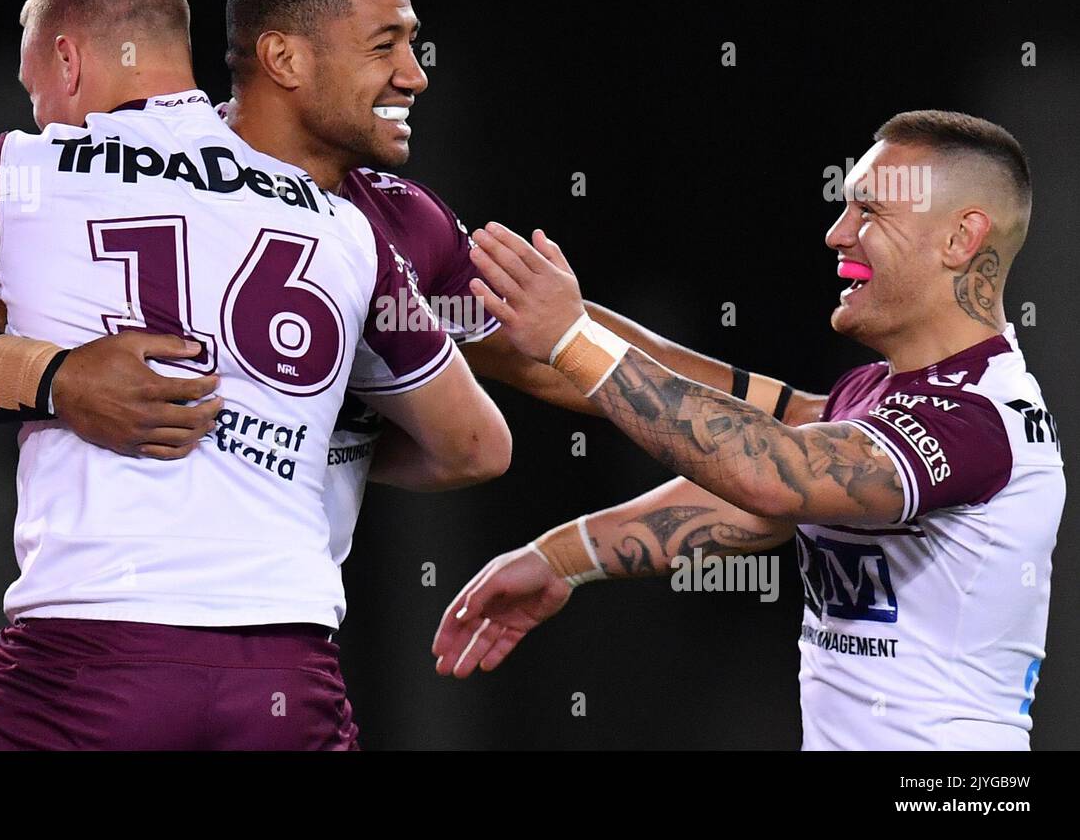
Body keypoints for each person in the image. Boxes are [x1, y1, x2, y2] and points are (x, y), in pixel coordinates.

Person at [0, 0, 513, 750]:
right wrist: (297, 432)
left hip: (87, 654)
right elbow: (474, 446)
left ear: (65, 62)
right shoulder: (341, 221)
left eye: (36, 90)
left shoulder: (30, 169)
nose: (39, 112)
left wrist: (51, 378)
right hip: (285, 670)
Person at [433, 111, 1064, 751]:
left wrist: (571, 338)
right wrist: (562, 558)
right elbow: (730, 447)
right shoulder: (873, 395)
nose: (837, 233)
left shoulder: (980, 417)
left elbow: (773, 475)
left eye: (869, 212)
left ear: (961, 239)